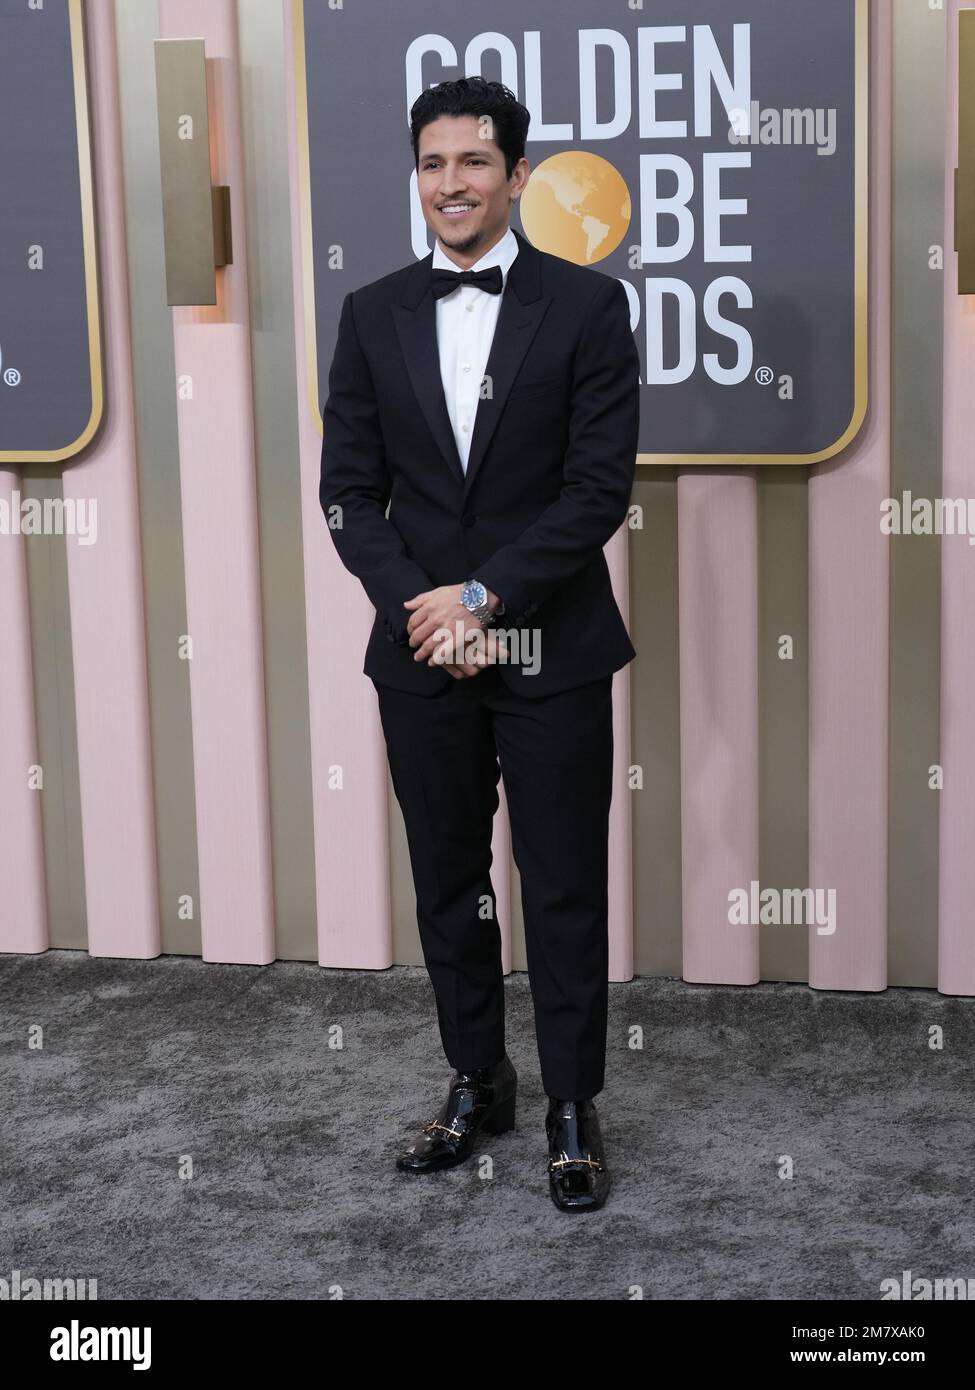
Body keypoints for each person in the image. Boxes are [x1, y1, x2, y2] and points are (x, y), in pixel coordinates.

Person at [319, 76, 639, 1212]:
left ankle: (570, 1103)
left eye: (472, 162)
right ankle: (478, 1080)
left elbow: (597, 489)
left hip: (551, 644)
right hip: (421, 651)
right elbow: (349, 494)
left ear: (514, 175)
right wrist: (427, 608)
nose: (450, 183)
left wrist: (484, 599)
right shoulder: (371, 313)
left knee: (559, 884)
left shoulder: (590, 308)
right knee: (451, 882)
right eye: (432, 163)